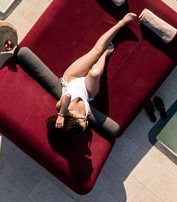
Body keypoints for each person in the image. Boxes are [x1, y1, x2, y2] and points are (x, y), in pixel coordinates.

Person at [44, 13, 137, 141]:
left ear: (74, 119)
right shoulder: (83, 116)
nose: (87, 122)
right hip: (87, 91)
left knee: (96, 50)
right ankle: (105, 55)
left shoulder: (64, 109)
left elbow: (67, 96)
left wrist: (61, 114)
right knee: (95, 73)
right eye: (86, 125)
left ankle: (121, 23)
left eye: (84, 123)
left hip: (72, 78)